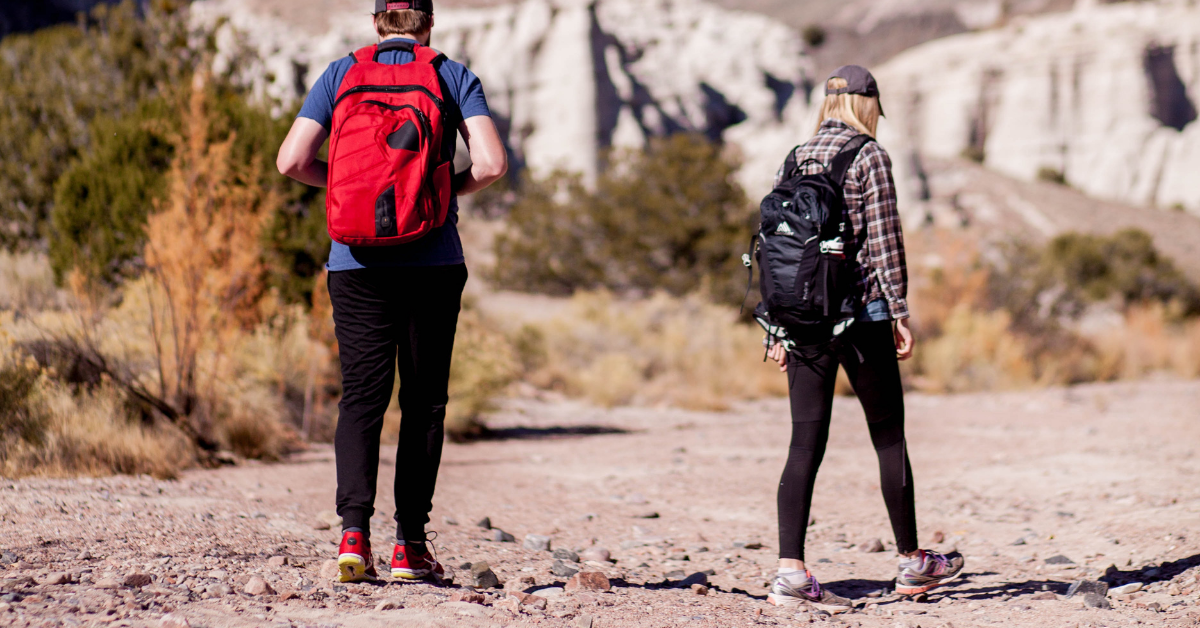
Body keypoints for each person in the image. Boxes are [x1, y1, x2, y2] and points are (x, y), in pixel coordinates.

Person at [276, 0, 507, 583]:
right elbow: (493, 163)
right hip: (432, 259)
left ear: (376, 21)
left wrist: (354, 186)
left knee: (361, 398)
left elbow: (291, 161)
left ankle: (353, 536)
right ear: (429, 23)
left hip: (355, 262)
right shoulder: (451, 75)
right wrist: (435, 193)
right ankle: (409, 545)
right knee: (424, 402)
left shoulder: (341, 73)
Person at [762, 65, 963, 612]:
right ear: (868, 103)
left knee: (804, 442)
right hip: (862, 315)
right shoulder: (869, 155)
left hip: (802, 321)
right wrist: (897, 312)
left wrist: (778, 325)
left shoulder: (796, 156)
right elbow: (884, 241)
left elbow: (777, 251)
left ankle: (790, 573)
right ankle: (911, 563)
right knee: (888, 437)